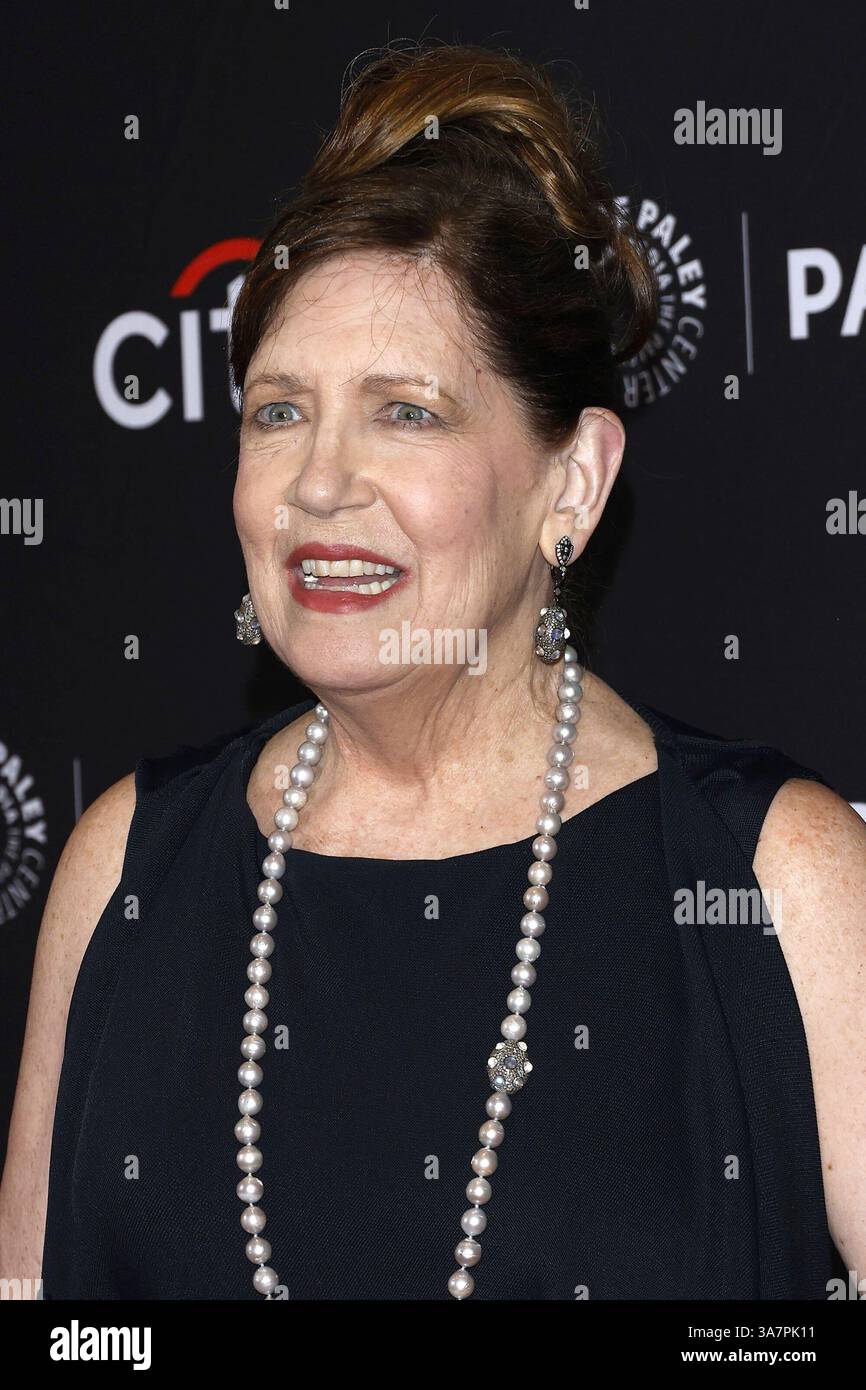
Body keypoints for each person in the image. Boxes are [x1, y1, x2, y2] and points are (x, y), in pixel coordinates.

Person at [2, 41, 864, 1302]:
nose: (319, 484)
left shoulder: (778, 881)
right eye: (276, 411)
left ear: (569, 483)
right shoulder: (128, 867)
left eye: (405, 412)